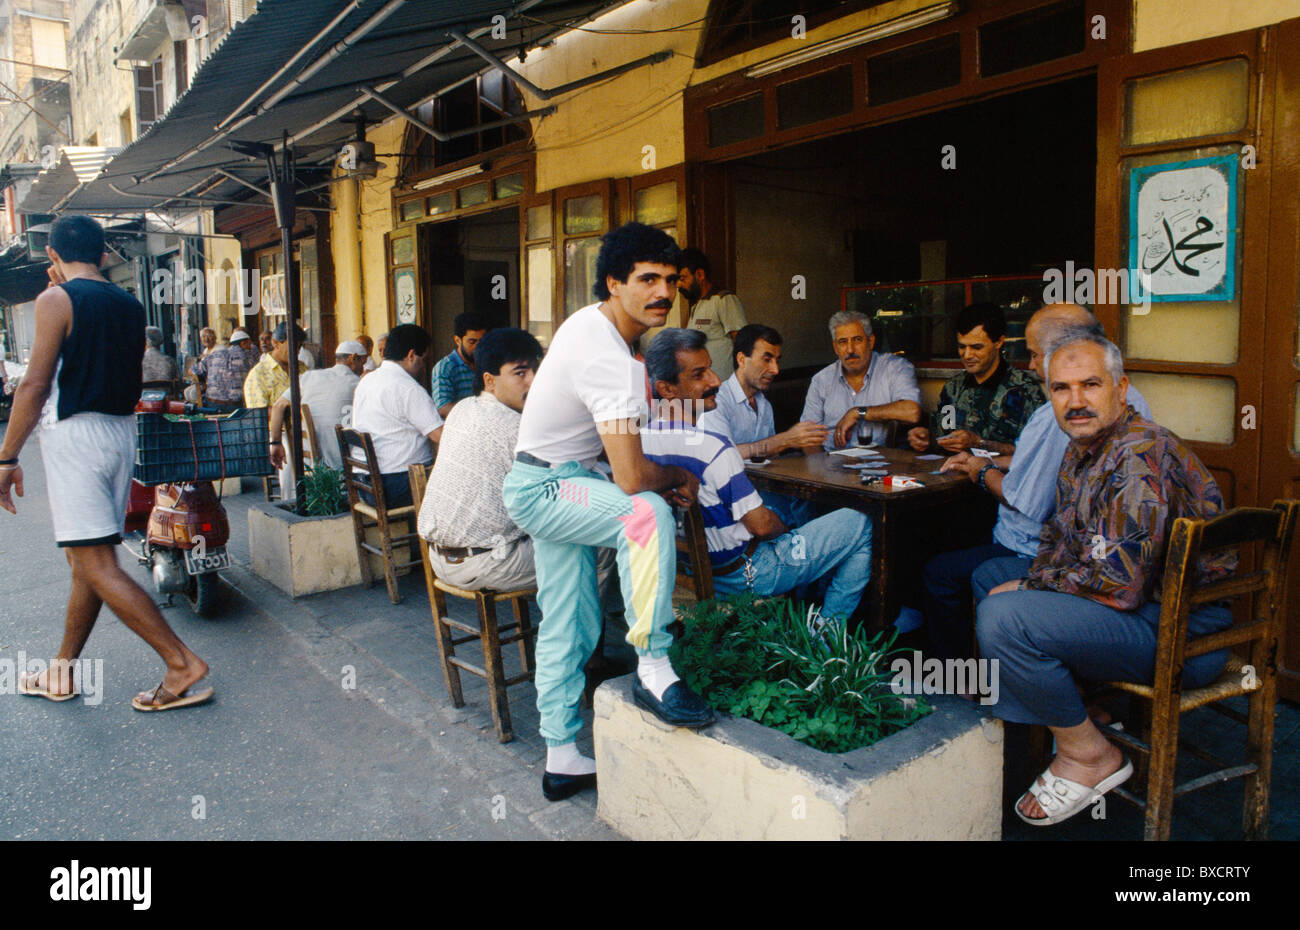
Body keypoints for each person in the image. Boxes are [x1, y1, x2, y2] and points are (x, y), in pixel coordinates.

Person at [975, 327, 1235, 826]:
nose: (1076, 401)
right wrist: (1031, 579)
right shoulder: (1085, 448)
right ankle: (1083, 712)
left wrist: (1031, 587)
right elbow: (1060, 539)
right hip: (1146, 612)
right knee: (991, 577)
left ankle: (1090, 755)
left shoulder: (1138, 454)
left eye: (1090, 385)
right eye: (1061, 388)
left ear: (1121, 389)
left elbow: (1120, 583)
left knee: (1005, 616)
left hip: (1182, 636)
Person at [502, 222, 710, 804]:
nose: (662, 292)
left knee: (569, 622)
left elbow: (614, 450)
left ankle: (561, 756)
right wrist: (678, 477)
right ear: (614, 283)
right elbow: (632, 477)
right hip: (548, 489)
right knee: (646, 515)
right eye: (646, 279)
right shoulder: (611, 356)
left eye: (670, 280)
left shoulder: (595, 330)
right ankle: (653, 664)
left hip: (551, 482)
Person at [0, 215, 211, 711]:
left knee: (94, 560)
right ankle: (61, 670)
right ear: (102, 255)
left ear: (52, 255)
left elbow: (33, 384)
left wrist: (7, 455)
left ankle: (180, 663)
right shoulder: (129, 303)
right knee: (85, 560)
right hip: (119, 434)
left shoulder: (56, 300)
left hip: (78, 435)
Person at [921, 304, 1153, 661]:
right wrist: (986, 460)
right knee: (951, 533)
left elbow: (1027, 502)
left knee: (941, 567)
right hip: (1090, 552)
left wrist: (981, 471)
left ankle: (976, 673)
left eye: (1033, 354)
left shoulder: (1063, 411)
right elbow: (1045, 465)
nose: (1030, 365)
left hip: (1049, 553)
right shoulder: (1128, 399)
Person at [643, 328, 873, 623]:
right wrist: (786, 533)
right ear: (667, 388)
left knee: (802, 520)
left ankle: (801, 616)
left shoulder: (640, 443)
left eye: (711, 369)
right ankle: (825, 636)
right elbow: (763, 527)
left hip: (685, 570)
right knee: (861, 522)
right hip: (747, 574)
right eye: (699, 374)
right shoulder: (712, 448)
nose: (715, 380)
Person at [698, 323, 825, 527]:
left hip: (766, 494)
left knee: (817, 505)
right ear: (741, 359)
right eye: (767, 359)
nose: (775, 370)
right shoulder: (717, 402)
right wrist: (784, 440)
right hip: (732, 505)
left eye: (776, 361)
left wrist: (798, 448)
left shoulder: (764, 405)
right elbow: (720, 457)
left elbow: (772, 459)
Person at [907, 303, 1044, 456]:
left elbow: (1035, 454)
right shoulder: (953, 388)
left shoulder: (1025, 391)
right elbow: (943, 433)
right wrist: (926, 439)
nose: (967, 355)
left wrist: (979, 443)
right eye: (962, 347)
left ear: (998, 342)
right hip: (951, 475)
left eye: (976, 347)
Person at [350, 323, 443, 508]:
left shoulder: (367, 380)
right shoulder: (408, 388)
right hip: (395, 486)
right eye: (423, 359)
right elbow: (441, 436)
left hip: (364, 484)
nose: (423, 366)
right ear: (411, 355)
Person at [801, 309, 922, 449]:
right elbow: (808, 438)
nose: (850, 349)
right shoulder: (821, 380)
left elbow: (912, 412)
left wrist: (858, 412)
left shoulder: (895, 368)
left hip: (881, 464)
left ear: (870, 341)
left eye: (857, 340)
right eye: (843, 342)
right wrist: (818, 468)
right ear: (835, 347)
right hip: (832, 463)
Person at [268, 339, 368, 473]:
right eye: (362, 362)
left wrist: (275, 443)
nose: (363, 369)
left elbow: (278, 406)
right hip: (340, 464)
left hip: (306, 462)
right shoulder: (358, 384)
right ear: (353, 358)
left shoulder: (308, 376)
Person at [678, 248, 748, 380]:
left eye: (682, 278)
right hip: (704, 387)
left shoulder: (724, 300)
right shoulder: (696, 306)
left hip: (723, 386)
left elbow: (743, 343)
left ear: (700, 275)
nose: (678, 285)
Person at [430, 312, 488, 419]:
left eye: (482, 341)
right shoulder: (445, 368)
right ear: (457, 340)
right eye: (472, 342)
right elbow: (442, 407)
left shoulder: (487, 363)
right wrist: (477, 414)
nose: (478, 346)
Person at [190, 328, 256, 411]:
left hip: (212, 405)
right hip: (236, 407)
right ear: (243, 343)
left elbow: (192, 370)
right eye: (249, 344)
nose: (251, 347)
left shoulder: (213, 355)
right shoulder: (248, 359)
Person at [243, 322, 306, 409]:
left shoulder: (303, 368)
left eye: (299, 347)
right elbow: (260, 414)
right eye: (293, 347)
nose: (297, 352)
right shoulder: (258, 375)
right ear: (275, 343)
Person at [140, 326, 179, 394]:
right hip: (165, 397)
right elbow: (176, 382)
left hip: (144, 398)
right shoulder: (169, 361)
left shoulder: (139, 362)